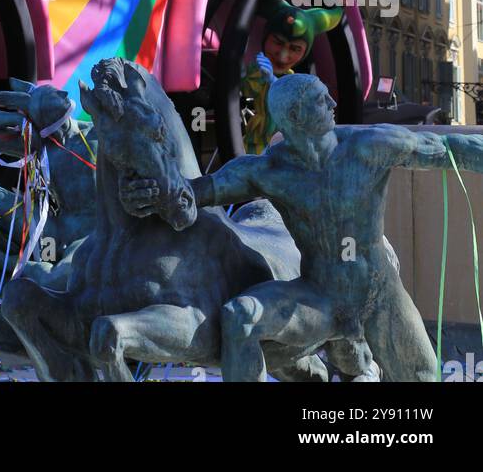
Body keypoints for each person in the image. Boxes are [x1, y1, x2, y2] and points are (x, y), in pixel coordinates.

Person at [187, 74, 483, 382]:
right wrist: (157, 192)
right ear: (295, 116)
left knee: (422, 377)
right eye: (320, 99)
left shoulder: (370, 147)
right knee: (240, 317)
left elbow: (449, 147)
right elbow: (199, 191)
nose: (333, 103)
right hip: (319, 296)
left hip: (376, 295)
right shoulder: (268, 170)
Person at [239, 0, 343, 153]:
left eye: (295, 49)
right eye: (278, 43)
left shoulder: (297, 83)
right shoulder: (254, 73)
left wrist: (273, 81)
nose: (282, 56)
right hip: (255, 149)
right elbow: (246, 93)